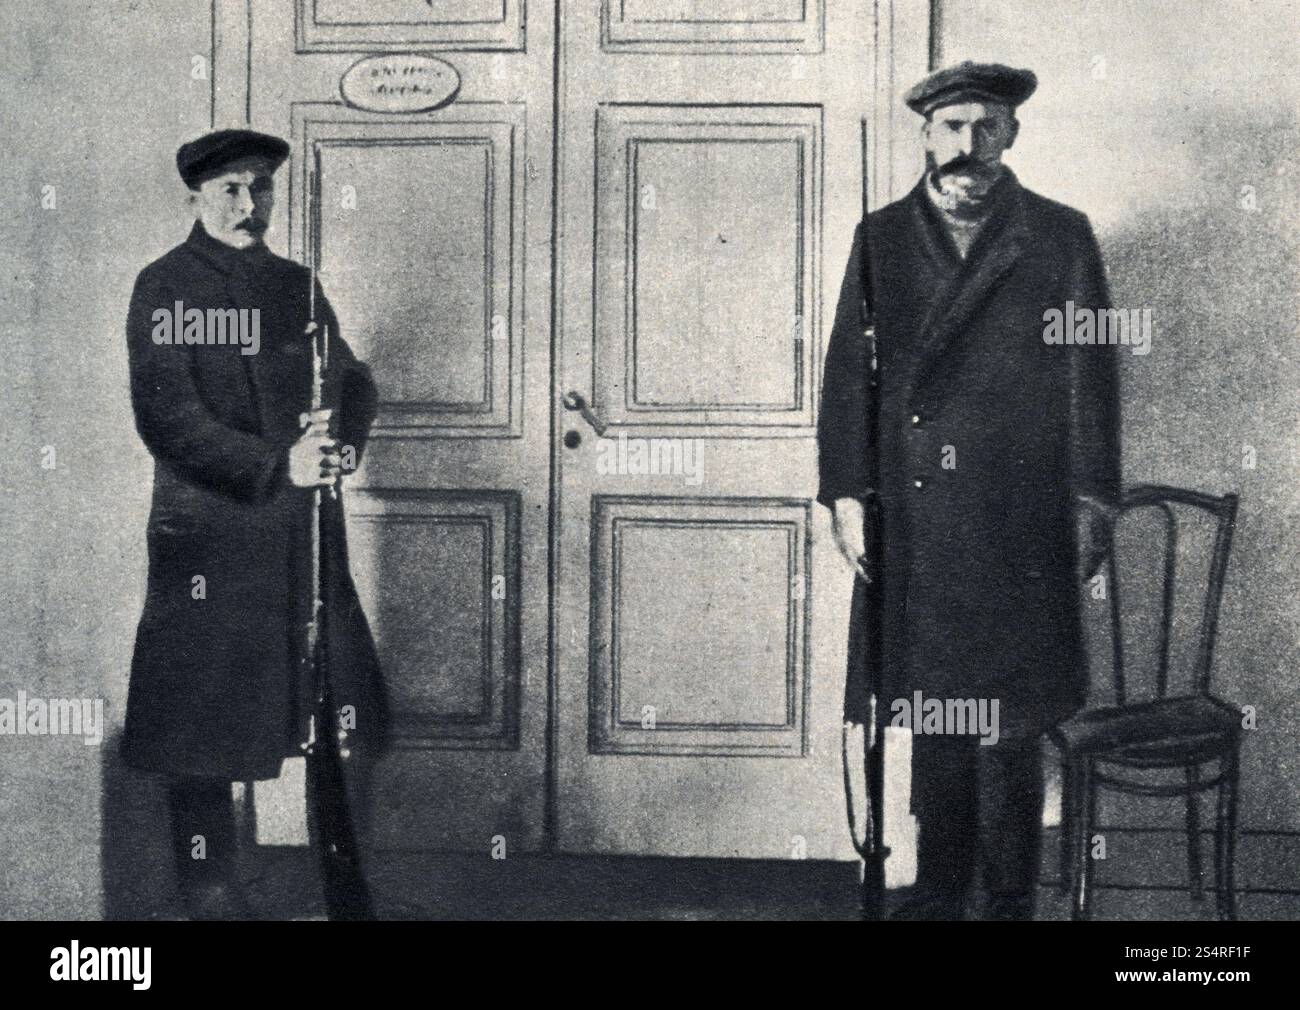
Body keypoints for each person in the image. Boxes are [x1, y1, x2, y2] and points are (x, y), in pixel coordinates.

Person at [818, 62, 1121, 920]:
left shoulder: (1061, 236)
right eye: (952, 126)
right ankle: (941, 893)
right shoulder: (879, 238)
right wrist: (846, 494)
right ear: (925, 135)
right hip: (913, 515)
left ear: (1012, 135)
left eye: (987, 126)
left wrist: (1093, 500)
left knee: (1012, 723)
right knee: (935, 709)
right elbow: (848, 378)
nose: (969, 144)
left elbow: (1092, 379)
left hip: (1021, 517)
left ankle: (1011, 900)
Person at [122, 128, 389, 919]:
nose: (249, 205)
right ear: (196, 198)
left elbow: (353, 379)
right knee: (202, 717)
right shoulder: (166, 288)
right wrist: (278, 466)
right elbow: (170, 419)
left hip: (302, 539)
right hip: (210, 539)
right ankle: (209, 886)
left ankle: (340, 888)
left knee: (337, 707)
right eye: (232, 190)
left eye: (261, 189)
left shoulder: (293, 284)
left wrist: (341, 443)